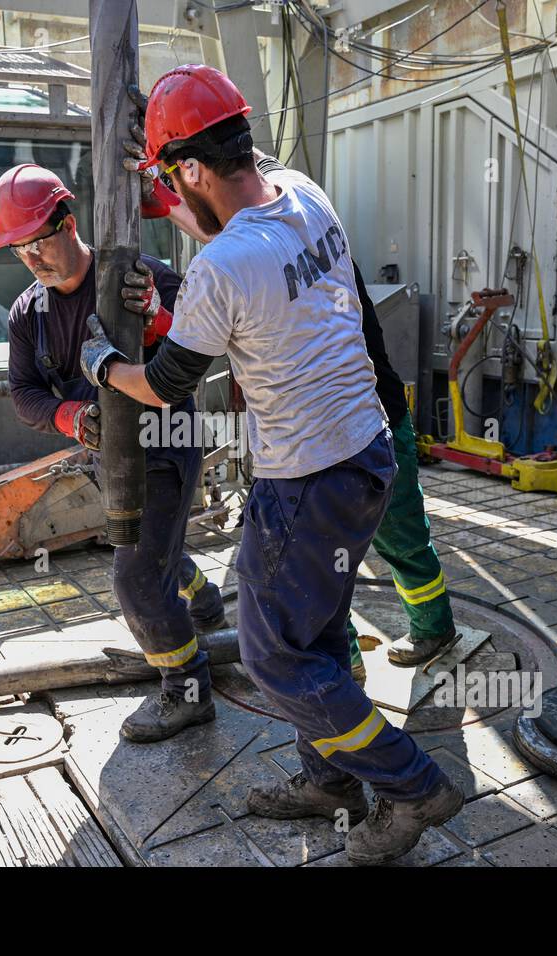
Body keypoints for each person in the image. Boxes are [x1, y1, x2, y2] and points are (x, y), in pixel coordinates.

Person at [82, 65, 463, 865]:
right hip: (367, 455)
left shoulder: (221, 271)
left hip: (307, 481)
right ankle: (328, 783)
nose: (168, 192)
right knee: (318, 632)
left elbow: (159, 385)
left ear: (188, 169)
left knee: (274, 656)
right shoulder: (303, 192)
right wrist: (159, 182)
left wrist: (99, 365)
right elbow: (226, 229)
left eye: (169, 176)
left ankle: (411, 785)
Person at [0, 162, 226, 743]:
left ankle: (187, 688)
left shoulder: (144, 280)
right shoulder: (30, 313)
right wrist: (71, 417)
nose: (33, 260)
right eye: (19, 251)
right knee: (153, 554)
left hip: (166, 444)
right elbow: (22, 394)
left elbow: (192, 362)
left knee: (135, 577)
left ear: (68, 223)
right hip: (106, 454)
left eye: (39, 242)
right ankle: (203, 596)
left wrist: (153, 319)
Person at [346, 262, 458, 670]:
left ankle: (430, 628)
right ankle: (344, 659)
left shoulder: (296, 262)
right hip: (371, 425)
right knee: (391, 540)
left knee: (393, 538)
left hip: (359, 430)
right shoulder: (322, 250)